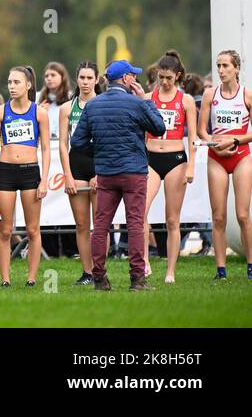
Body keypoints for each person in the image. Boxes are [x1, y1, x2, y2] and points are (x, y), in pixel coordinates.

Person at [71, 59, 166, 291]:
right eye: (132, 75)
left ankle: (100, 279)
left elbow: (77, 142)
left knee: (101, 225)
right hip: (133, 171)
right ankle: (137, 280)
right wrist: (146, 100)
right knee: (134, 224)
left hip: (105, 173)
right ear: (125, 79)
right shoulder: (136, 103)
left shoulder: (92, 105)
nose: (135, 78)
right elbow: (159, 128)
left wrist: (101, 151)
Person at [0, 65, 50, 288]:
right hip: (5, 173)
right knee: (5, 229)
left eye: (17, 82)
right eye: (10, 82)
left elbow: (46, 148)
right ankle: (5, 279)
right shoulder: (0, 112)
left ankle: (32, 278)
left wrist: (44, 179)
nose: (12, 87)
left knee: (33, 229)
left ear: (28, 85)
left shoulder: (39, 112)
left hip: (30, 171)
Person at [143, 50, 197, 283]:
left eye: (168, 77)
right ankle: (143, 261)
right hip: (151, 158)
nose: (164, 82)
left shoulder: (185, 100)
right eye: (160, 77)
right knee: (140, 212)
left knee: (172, 220)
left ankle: (170, 271)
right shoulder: (148, 98)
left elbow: (193, 137)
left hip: (176, 160)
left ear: (178, 76)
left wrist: (191, 165)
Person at [199, 49, 252, 280]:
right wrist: (213, 143)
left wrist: (235, 140)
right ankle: (221, 270)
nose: (221, 70)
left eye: (225, 66)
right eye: (218, 66)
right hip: (217, 157)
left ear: (236, 69)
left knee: (242, 215)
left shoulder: (246, 95)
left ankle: (251, 265)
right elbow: (202, 130)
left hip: (241, 155)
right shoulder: (211, 94)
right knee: (219, 216)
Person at [59, 62, 101, 285]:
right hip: (76, 164)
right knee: (82, 224)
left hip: (98, 164)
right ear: (77, 79)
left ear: (96, 80)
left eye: (89, 78)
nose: (85, 82)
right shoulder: (67, 108)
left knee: (99, 224)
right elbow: (62, 145)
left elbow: (106, 141)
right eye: (82, 78)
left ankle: (100, 271)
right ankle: (87, 272)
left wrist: (100, 173)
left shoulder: (102, 104)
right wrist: (67, 175)